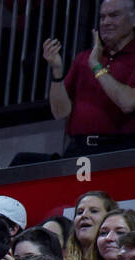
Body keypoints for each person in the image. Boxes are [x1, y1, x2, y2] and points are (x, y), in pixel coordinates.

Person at [44, 0, 135, 156]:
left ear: (133, 20)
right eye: (102, 17)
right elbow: (60, 113)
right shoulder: (83, 58)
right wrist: (57, 72)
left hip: (118, 151)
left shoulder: (94, 61)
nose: (105, 22)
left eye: (114, 15)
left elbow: (128, 103)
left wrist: (96, 66)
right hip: (78, 150)